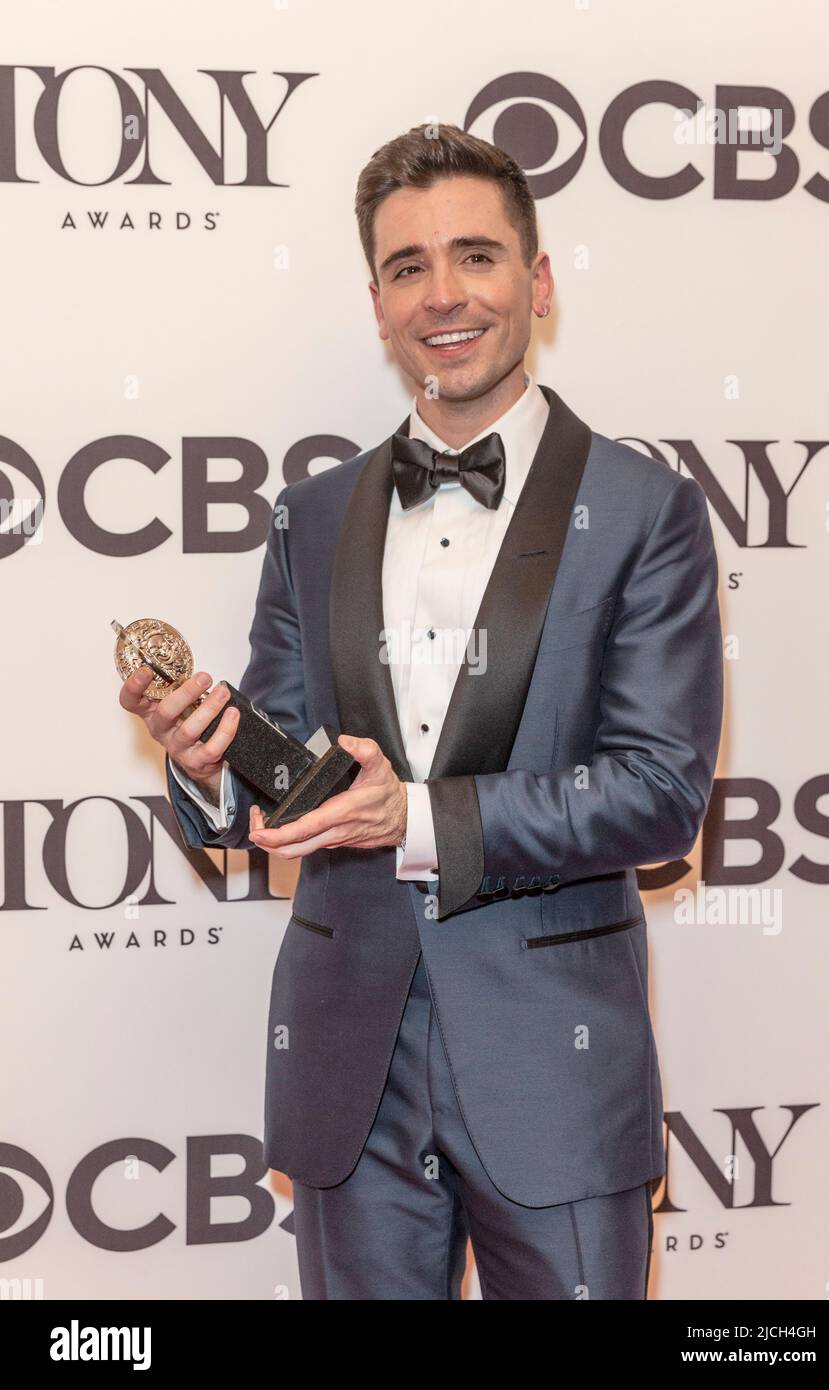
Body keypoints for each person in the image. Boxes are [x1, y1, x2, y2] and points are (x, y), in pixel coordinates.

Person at [119, 123, 724, 1300]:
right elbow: (287, 776)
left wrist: (417, 820)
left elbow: (659, 796)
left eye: (475, 257)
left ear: (537, 283)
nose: (443, 295)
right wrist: (206, 761)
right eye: (407, 268)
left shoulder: (644, 510)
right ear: (378, 303)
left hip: (552, 1063)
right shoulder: (312, 511)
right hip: (350, 1065)